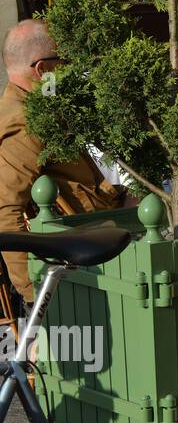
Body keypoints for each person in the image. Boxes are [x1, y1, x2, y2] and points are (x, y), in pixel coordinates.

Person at [0, 20, 129, 303]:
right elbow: (6, 216)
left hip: (96, 238)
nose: (68, 69)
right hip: (78, 263)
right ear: (42, 69)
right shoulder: (24, 122)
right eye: (63, 60)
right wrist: (37, 298)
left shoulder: (38, 106)